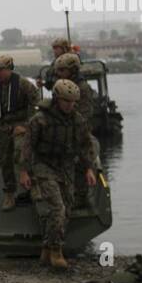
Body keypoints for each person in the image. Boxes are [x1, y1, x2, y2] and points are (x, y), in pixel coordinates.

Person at [20, 78, 97, 270]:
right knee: (58, 208)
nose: (70, 105)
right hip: (44, 166)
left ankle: (46, 248)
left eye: (73, 102)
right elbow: (27, 146)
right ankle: (56, 251)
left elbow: (86, 145)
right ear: (56, 99)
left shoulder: (78, 120)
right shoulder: (40, 120)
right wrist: (24, 171)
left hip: (66, 167)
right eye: (66, 101)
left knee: (68, 208)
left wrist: (89, 168)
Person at [0, 54, 38, 210]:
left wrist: (27, 126)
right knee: (4, 160)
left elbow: (35, 106)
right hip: (3, 128)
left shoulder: (24, 85)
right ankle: (9, 193)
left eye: (1, 70)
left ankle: (33, 187)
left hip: (21, 125)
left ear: (9, 69)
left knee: (22, 153)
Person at [54, 52, 98, 207]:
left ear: (72, 70)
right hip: (61, 128)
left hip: (78, 130)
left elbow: (84, 115)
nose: (58, 74)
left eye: (62, 70)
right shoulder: (61, 85)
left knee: (84, 158)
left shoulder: (82, 89)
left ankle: (82, 197)